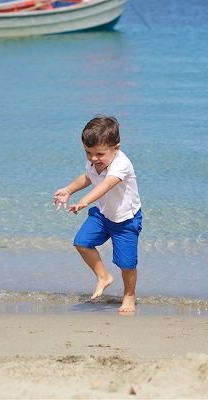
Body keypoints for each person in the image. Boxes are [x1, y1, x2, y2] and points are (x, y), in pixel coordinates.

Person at [53, 116, 142, 313]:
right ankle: (103, 276)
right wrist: (68, 190)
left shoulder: (122, 164)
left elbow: (106, 185)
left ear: (115, 148)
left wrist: (84, 201)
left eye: (99, 154)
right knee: (82, 242)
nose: (93, 159)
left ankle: (129, 295)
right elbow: (87, 177)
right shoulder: (94, 163)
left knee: (126, 264)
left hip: (125, 219)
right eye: (88, 153)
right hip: (103, 215)